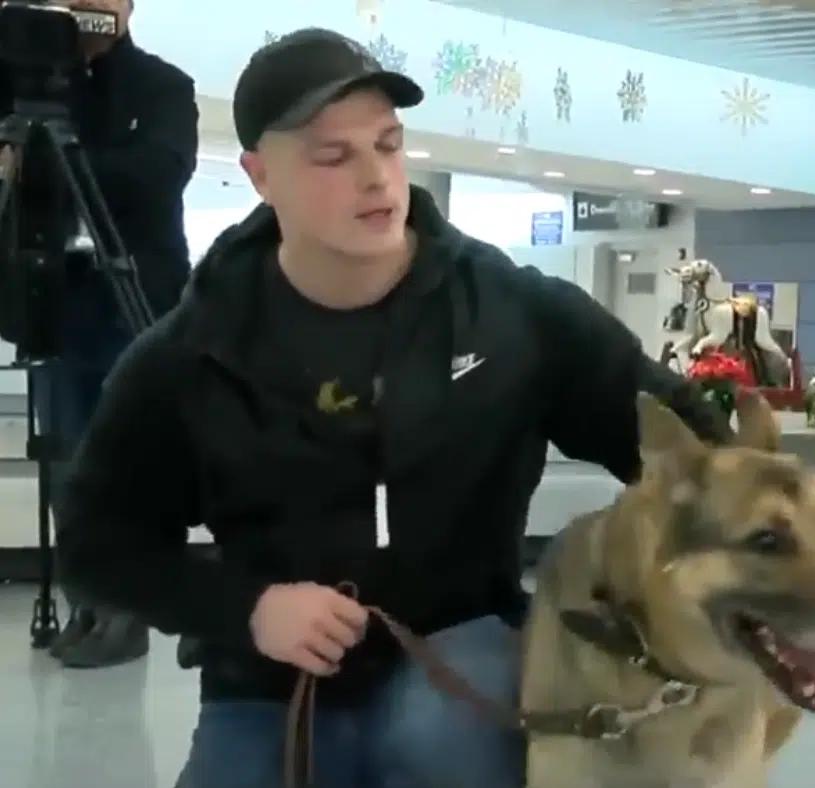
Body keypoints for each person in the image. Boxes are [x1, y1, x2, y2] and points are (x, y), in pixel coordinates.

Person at [56, 27, 731, 788]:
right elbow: (95, 541)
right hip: (268, 684)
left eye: (387, 145)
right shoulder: (192, 354)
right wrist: (247, 608)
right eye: (333, 157)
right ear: (259, 175)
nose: (377, 179)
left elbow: (688, 449)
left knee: (436, 739)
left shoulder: (510, 312)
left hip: (461, 654)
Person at [0, 0, 198, 667]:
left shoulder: (161, 85)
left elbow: (158, 174)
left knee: (130, 458)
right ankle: (89, 598)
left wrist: (45, 160)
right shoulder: (22, 80)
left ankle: (129, 609)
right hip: (52, 293)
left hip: (136, 295)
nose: (90, 8)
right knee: (64, 456)